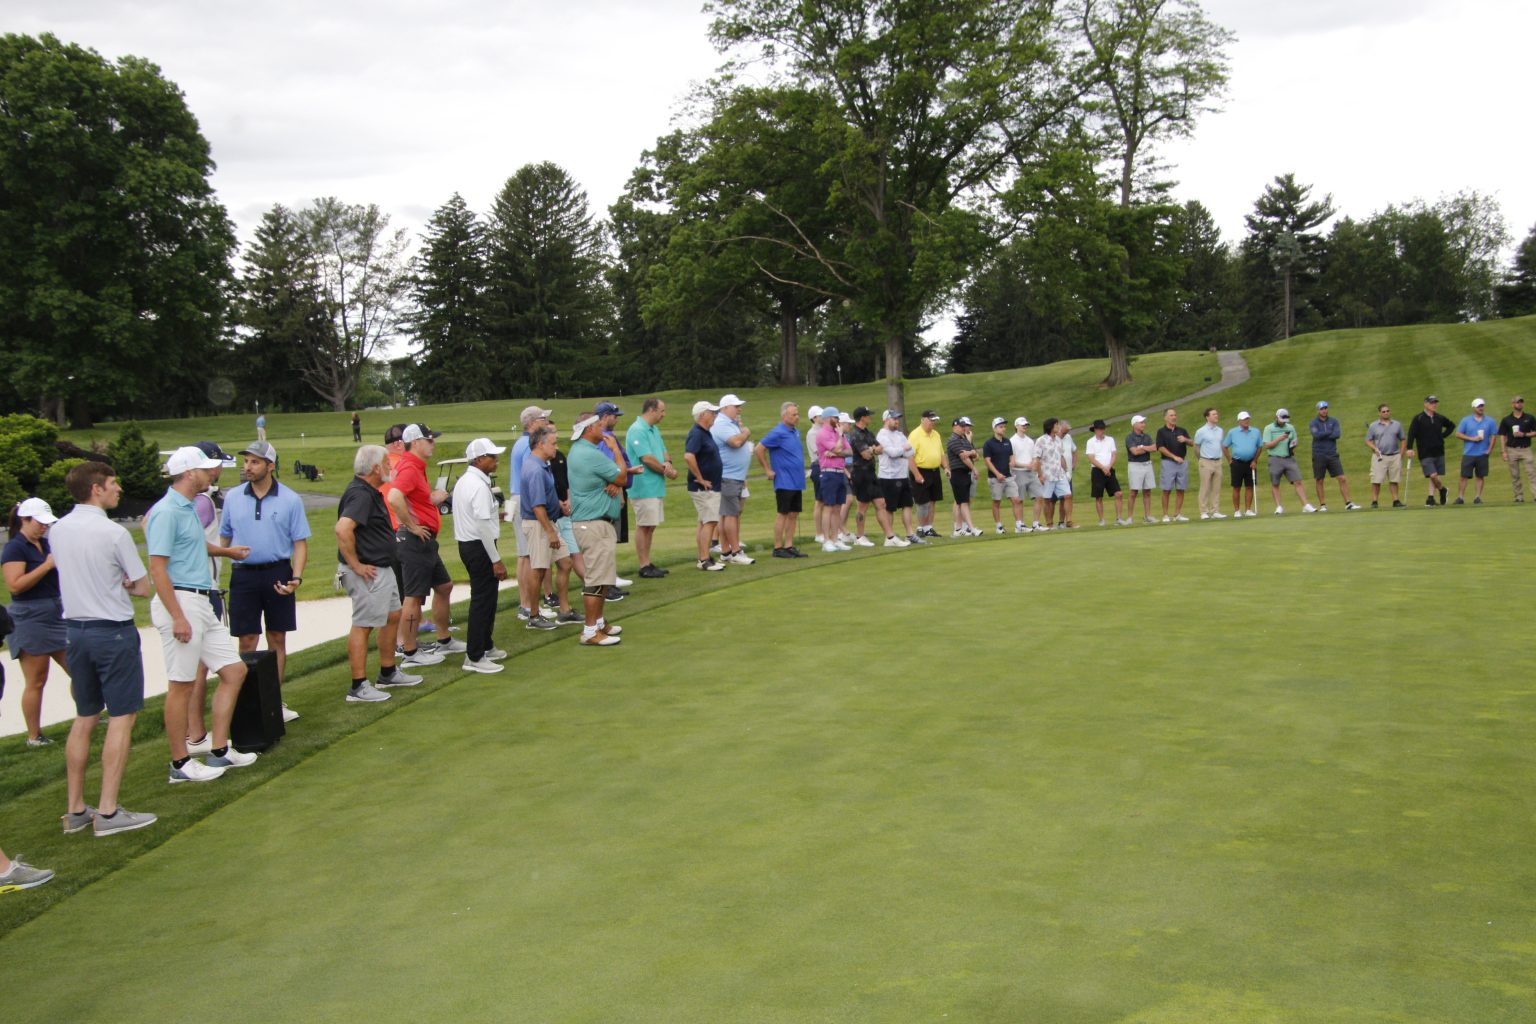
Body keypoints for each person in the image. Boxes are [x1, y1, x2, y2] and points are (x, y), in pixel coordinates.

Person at [50, 463, 157, 835]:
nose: (118, 488)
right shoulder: (114, 533)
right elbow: (144, 587)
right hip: (111, 631)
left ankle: (76, 809)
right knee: (122, 716)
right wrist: (125, 584)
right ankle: (109, 812)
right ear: (96, 489)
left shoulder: (57, 529)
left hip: (75, 632)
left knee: (85, 716)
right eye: (112, 484)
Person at [146, 447, 257, 784]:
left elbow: (193, 544)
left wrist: (226, 550)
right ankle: (180, 764)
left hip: (200, 600)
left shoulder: (186, 507)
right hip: (180, 601)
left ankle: (220, 751)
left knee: (235, 670)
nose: (212, 473)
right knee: (181, 684)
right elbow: (157, 568)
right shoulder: (167, 511)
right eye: (206, 469)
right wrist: (178, 616)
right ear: (189, 472)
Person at [220, 439, 310, 724]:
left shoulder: (290, 499)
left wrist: (296, 577)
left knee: (276, 637)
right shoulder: (233, 497)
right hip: (243, 575)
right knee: (247, 638)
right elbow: (224, 538)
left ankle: (273, 700)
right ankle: (248, 702)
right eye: (246, 461)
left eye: (254, 462)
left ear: (270, 466)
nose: (248, 466)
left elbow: (300, 544)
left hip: (277, 572)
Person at [336, 445, 421, 702]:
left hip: (381, 568)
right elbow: (342, 529)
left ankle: (388, 672)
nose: (390, 467)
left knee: (392, 615)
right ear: (375, 468)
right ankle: (358, 686)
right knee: (364, 625)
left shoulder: (370, 492)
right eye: (386, 463)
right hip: (368, 571)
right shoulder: (360, 494)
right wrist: (356, 565)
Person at [387, 423, 464, 666]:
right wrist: (411, 525)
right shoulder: (410, 466)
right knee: (413, 596)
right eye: (430, 439)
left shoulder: (416, 467)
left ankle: (444, 639)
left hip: (425, 540)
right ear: (416, 442)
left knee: (444, 586)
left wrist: (432, 498)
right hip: (415, 540)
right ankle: (410, 652)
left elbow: (413, 498)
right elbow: (394, 497)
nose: (433, 443)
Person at [568, 413, 639, 645]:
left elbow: (617, 478)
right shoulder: (588, 452)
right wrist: (617, 453)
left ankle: (598, 623)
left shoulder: (584, 452)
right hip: (593, 523)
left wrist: (614, 480)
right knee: (596, 579)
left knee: (603, 577)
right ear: (589, 429)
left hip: (596, 522)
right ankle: (590, 632)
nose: (604, 430)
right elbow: (621, 476)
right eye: (599, 426)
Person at [2, 498, 67, 746]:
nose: (44, 527)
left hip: (55, 613)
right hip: (30, 617)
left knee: (81, 670)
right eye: (39, 523)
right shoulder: (15, 548)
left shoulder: (46, 543)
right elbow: (15, 585)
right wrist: (47, 566)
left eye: (46, 523)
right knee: (37, 679)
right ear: (24, 520)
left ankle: (89, 715)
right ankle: (34, 735)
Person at [452, 437, 509, 672]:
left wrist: (497, 518)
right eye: (491, 457)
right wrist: (496, 559)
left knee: (488, 598)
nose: (496, 460)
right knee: (482, 600)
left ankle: (485, 645)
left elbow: (480, 518)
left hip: (473, 544)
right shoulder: (475, 484)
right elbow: (482, 526)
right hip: (479, 547)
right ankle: (474, 657)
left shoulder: (469, 480)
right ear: (479, 459)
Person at [624, 398, 677, 578]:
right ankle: (643, 565)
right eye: (662, 411)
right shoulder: (637, 430)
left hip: (655, 486)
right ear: (652, 410)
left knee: (651, 525)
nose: (664, 414)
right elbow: (646, 458)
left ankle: (648, 562)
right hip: (643, 485)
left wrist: (668, 463)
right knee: (644, 525)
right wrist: (666, 471)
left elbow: (663, 451)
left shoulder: (654, 429)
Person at [520, 425, 567, 629]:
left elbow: (546, 497)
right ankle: (533, 615)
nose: (556, 447)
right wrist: (550, 532)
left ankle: (565, 610)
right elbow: (537, 506)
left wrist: (559, 505)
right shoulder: (535, 469)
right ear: (541, 444)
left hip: (548, 522)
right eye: (553, 443)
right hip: (540, 524)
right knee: (538, 569)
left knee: (565, 563)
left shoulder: (541, 465)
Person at [508, 406, 551, 618]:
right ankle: (526, 605)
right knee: (527, 554)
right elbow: (531, 476)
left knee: (525, 553)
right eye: (543, 418)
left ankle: (527, 604)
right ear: (532, 423)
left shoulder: (522, 442)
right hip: (524, 499)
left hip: (519, 498)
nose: (546, 421)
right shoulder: (527, 444)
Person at [756, 402, 808, 557]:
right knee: (783, 513)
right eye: (794, 414)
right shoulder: (778, 432)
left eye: (797, 414)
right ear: (784, 416)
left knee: (793, 514)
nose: (797, 417)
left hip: (796, 480)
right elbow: (759, 449)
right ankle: (778, 548)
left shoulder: (795, 431)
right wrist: (767, 469)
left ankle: (789, 545)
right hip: (784, 480)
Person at [679, 400, 726, 570]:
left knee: (705, 522)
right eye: (712, 413)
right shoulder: (697, 433)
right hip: (704, 487)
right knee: (710, 522)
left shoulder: (706, 433)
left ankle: (703, 557)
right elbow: (688, 456)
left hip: (709, 486)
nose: (714, 415)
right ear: (702, 415)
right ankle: (704, 559)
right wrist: (700, 477)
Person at [711, 393, 756, 565]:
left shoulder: (730, 423)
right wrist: (746, 431)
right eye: (736, 407)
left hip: (734, 476)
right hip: (728, 476)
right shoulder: (722, 424)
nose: (739, 409)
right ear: (725, 408)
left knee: (726, 515)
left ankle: (726, 551)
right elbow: (736, 443)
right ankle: (736, 552)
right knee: (731, 515)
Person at [812, 406, 852, 552]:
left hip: (839, 471)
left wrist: (836, 452)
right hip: (828, 472)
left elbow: (849, 451)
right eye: (836, 418)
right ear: (829, 418)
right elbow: (837, 448)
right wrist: (838, 444)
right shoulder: (823, 434)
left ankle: (835, 539)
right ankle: (826, 541)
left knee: (837, 507)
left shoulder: (838, 433)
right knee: (828, 507)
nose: (838, 421)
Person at [1308, 401, 1361, 510]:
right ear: (1318, 410)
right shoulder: (1313, 423)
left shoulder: (1334, 421)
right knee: (1319, 480)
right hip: (1318, 454)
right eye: (1322, 409)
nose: (1324, 410)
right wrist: (1328, 433)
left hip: (1332, 453)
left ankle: (1348, 503)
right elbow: (1316, 435)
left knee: (1342, 478)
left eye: (1326, 408)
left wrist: (1324, 433)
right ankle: (1323, 505)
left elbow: (1337, 434)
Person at [1261, 409, 1316, 514]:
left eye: (1285, 420)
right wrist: (1279, 439)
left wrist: (1293, 445)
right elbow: (1267, 445)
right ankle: (1278, 506)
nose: (1284, 422)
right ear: (1276, 417)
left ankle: (1305, 505)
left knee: (1298, 481)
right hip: (1275, 458)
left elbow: (1295, 441)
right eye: (1282, 419)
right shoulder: (1269, 428)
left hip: (1289, 458)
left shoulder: (1290, 427)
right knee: (1275, 483)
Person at [875, 410, 916, 546]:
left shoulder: (899, 434)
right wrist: (903, 449)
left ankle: (910, 534)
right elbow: (892, 453)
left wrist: (901, 451)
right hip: (888, 476)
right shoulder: (882, 435)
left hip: (902, 474)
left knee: (907, 504)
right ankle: (890, 537)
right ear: (886, 420)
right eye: (894, 419)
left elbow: (912, 451)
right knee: (889, 508)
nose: (897, 421)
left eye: (898, 419)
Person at [1405, 395, 1456, 506]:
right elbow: (1411, 433)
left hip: (1438, 451)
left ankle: (1431, 498)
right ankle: (1442, 490)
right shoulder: (1418, 418)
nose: (1434, 405)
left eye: (1435, 402)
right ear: (1426, 404)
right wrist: (1409, 448)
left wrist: (1442, 436)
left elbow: (1451, 425)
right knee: (1432, 475)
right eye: (1432, 403)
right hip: (1425, 452)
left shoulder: (1439, 418)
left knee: (1435, 476)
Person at [908, 410, 949, 539]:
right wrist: (916, 474)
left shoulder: (936, 434)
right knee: (922, 501)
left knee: (932, 500)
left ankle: (928, 527)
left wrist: (946, 467)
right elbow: (910, 457)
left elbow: (941, 453)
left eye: (934, 420)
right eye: (931, 420)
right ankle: (920, 527)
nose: (933, 422)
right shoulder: (915, 435)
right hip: (920, 470)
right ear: (923, 420)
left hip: (934, 471)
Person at [1454, 398, 1498, 504]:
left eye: (1482, 406)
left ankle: (1477, 497)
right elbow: (1458, 434)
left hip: (1482, 453)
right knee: (1464, 476)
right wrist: (1471, 438)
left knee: (1480, 476)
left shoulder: (1490, 421)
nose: (1481, 408)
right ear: (1473, 407)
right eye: (1479, 406)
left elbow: (1493, 436)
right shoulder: (1466, 420)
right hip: (1468, 453)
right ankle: (1460, 497)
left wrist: (1489, 450)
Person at [1033, 418, 1075, 529]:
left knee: (1068, 495)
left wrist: (1066, 472)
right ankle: (1049, 524)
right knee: (1047, 499)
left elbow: (1061, 457)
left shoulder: (1058, 440)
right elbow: (1036, 459)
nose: (1058, 427)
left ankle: (1069, 521)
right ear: (1050, 427)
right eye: (1056, 425)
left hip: (1059, 474)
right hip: (1047, 474)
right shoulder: (1041, 441)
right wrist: (1040, 474)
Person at [983, 418, 1021, 534]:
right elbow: (987, 461)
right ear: (994, 428)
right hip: (995, 478)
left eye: (1004, 426)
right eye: (1000, 426)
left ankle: (1019, 525)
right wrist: (997, 474)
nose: (1003, 428)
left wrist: (1012, 461)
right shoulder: (988, 444)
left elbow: (1011, 455)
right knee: (997, 501)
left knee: (1016, 500)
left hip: (1008, 476)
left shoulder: (1007, 441)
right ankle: (999, 526)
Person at [1364, 404, 1407, 508]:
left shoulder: (1397, 424)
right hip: (1380, 456)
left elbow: (1403, 439)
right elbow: (1368, 440)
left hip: (1394, 455)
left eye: (1387, 411)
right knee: (1376, 480)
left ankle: (1395, 500)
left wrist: (1401, 453)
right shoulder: (1374, 425)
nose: (1386, 413)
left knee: (1394, 479)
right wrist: (1375, 448)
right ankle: (1374, 501)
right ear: (1379, 413)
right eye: (1383, 411)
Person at [1084, 420, 1125, 526]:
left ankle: (1119, 518)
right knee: (1099, 496)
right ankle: (1101, 520)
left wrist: (1108, 467)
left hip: (1109, 469)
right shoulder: (1090, 442)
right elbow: (1091, 458)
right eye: (1100, 429)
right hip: (1097, 471)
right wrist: (1102, 468)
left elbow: (1114, 454)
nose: (1102, 431)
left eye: (1103, 429)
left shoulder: (1110, 440)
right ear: (1095, 430)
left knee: (1119, 493)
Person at [946, 416, 981, 537]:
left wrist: (970, 452)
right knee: (962, 502)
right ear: (954, 426)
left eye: (964, 426)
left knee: (963, 501)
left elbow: (974, 454)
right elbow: (963, 457)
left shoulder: (964, 439)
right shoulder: (953, 440)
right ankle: (968, 528)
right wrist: (974, 468)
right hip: (958, 473)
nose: (964, 428)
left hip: (965, 473)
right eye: (961, 426)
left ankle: (959, 529)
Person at [1222, 412, 1262, 517]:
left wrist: (1255, 460)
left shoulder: (1255, 432)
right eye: (1244, 419)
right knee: (1236, 487)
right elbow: (1224, 446)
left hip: (1250, 463)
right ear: (1239, 421)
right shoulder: (1233, 432)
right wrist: (1230, 460)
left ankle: (1248, 510)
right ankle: (1237, 510)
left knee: (1249, 486)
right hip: (1237, 463)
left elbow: (1259, 447)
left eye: (1247, 419)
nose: (1246, 421)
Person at [1156, 408, 1192, 522]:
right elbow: (1160, 447)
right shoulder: (1161, 432)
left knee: (1181, 489)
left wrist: (1185, 439)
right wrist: (1174, 457)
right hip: (1168, 463)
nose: (1174, 417)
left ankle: (1177, 514)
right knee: (1166, 489)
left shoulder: (1182, 430)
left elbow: (1192, 443)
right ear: (1165, 417)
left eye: (1175, 415)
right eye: (1171, 415)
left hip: (1182, 463)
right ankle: (1165, 515)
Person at [1498, 395, 1536, 502]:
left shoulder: (1529, 418)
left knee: (1532, 473)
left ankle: (1535, 495)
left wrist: (1524, 434)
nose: (1519, 404)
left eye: (1521, 402)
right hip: (1512, 449)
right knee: (1515, 475)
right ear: (1513, 404)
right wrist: (1503, 451)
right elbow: (1502, 435)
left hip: (1526, 449)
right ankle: (1519, 496)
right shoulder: (1506, 420)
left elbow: (1535, 432)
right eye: (1517, 402)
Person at [1193, 407, 1227, 520]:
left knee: (1216, 488)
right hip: (1206, 461)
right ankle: (1203, 511)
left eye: (1216, 414)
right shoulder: (1201, 431)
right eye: (1213, 414)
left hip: (1218, 461)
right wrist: (1201, 459)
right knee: (1205, 487)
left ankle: (1215, 510)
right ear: (1207, 417)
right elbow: (1196, 447)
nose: (1216, 416)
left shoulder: (1220, 430)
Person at [1008, 417, 1040, 533]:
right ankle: (1020, 525)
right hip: (1018, 471)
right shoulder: (1012, 441)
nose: (1025, 426)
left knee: (1038, 496)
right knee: (1019, 500)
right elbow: (1012, 461)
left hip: (1030, 472)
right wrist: (1026, 465)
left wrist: (1033, 464)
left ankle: (1036, 524)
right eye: (1022, 425)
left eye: (1026, 424)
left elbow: (1034, 457)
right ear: (1016, 426)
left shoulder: (1030, 441)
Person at [1124, 415, 1157, 524]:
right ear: (1134, 424)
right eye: (1141, 422)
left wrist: (1142, 447)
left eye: (1144, 422)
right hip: (1135, 465)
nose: (1143, 424)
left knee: (1147, 491)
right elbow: (1135, 452)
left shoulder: (1147, 437)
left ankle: (1147, 516)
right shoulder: (1130, 437)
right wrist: (1146, 449)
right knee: (1133, 492)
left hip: (1147, 464)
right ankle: (1129, 518)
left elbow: (1154, 448)